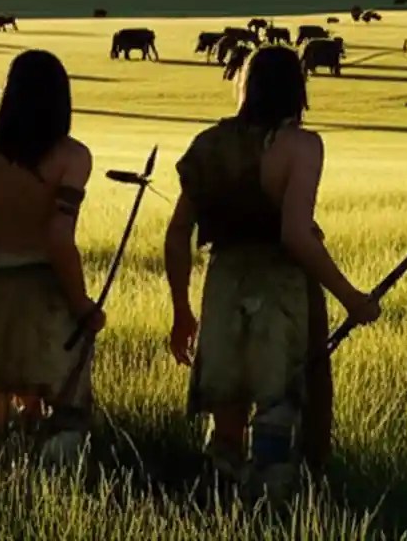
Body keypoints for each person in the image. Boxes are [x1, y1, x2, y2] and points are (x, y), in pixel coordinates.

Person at [163, 45, 380, 500]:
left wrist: (181, 310)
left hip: (222, 283)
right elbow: (296, 236)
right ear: (297, 91)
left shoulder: (210, 144)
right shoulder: (301, 146)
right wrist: (351, 297)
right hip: (280, 288)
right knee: (276, 412)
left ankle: (218, 507)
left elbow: (178, 230)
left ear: (247, 86)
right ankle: (269, 508)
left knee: (226, 413)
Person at [0, 49, 103, 464]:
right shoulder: (73, 157)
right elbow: (58, 238)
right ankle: (54, 490)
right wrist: (83, 305)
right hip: (48, 291)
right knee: (65, 404)